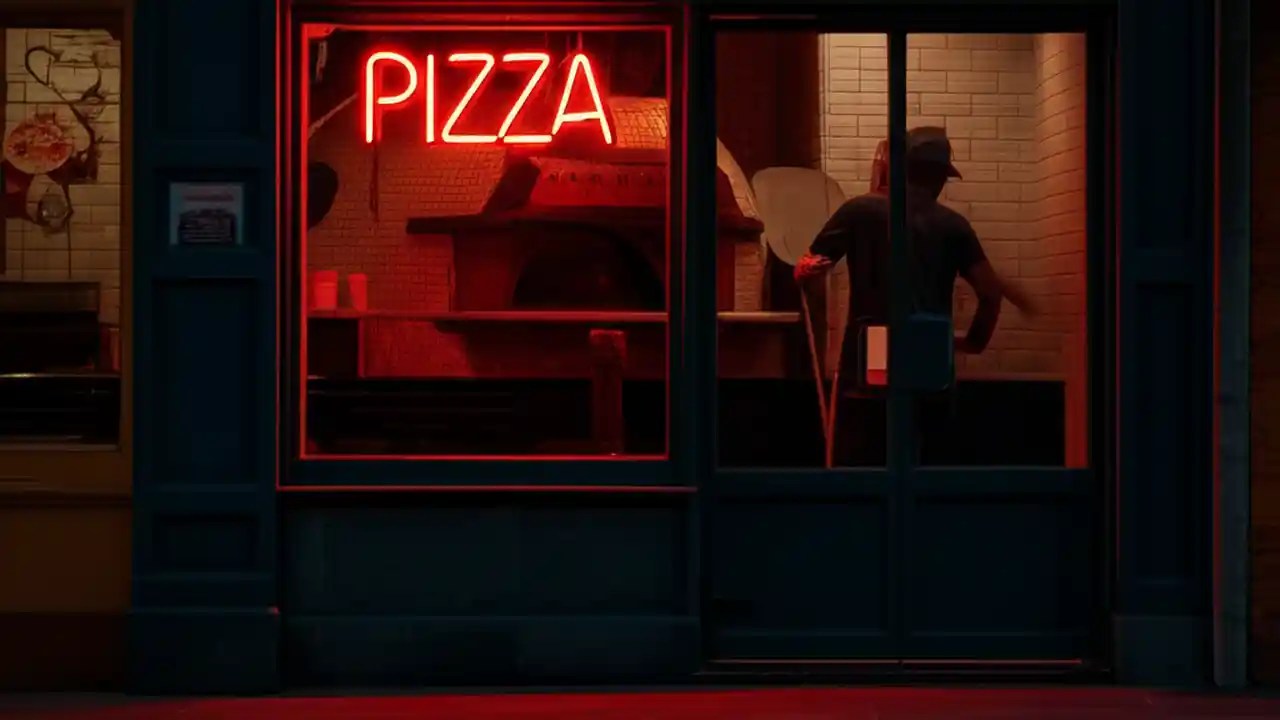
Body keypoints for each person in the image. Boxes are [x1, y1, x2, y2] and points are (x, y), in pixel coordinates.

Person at [794, 126, 1036, 465]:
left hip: (869, 360)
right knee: (927, 466)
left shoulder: (859, 211)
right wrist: (972, 343)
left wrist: (806, 271)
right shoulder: (954, 225)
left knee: (863, 467)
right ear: (939, 177)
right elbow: (991, 294)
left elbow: (809, 266)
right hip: (931, 363)